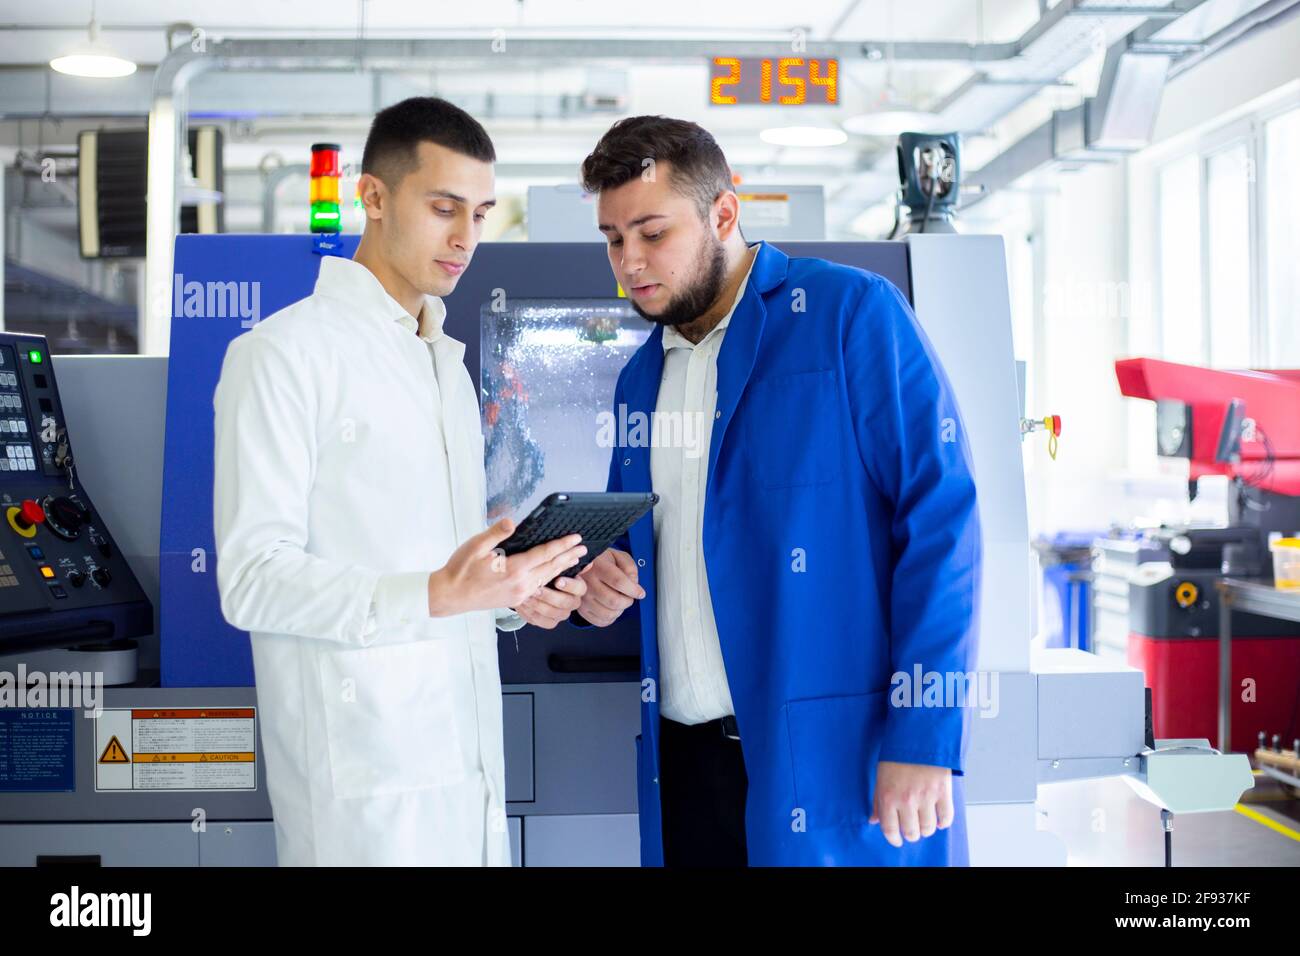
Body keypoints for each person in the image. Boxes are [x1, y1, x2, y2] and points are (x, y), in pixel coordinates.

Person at [573, 116, 982, 866]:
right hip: (683, 771)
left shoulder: (849, 315)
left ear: (724, 213)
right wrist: (599, 579)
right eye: (612, 238)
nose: (629, 262)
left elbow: (943, 525)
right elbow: (627, 546)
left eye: (652, 233)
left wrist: (925, 736)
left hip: (831, 763)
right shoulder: (640, 377)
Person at [212, 97, 588, 866]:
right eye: (444, 207)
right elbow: (251, 580)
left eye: (481, 213)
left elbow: (444, 567)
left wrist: (508, 594)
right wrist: (440, 595)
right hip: (363, 789)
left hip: (467, 772)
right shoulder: (281, 356)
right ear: (372, 196)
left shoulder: (441, 363)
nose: (465, 238)